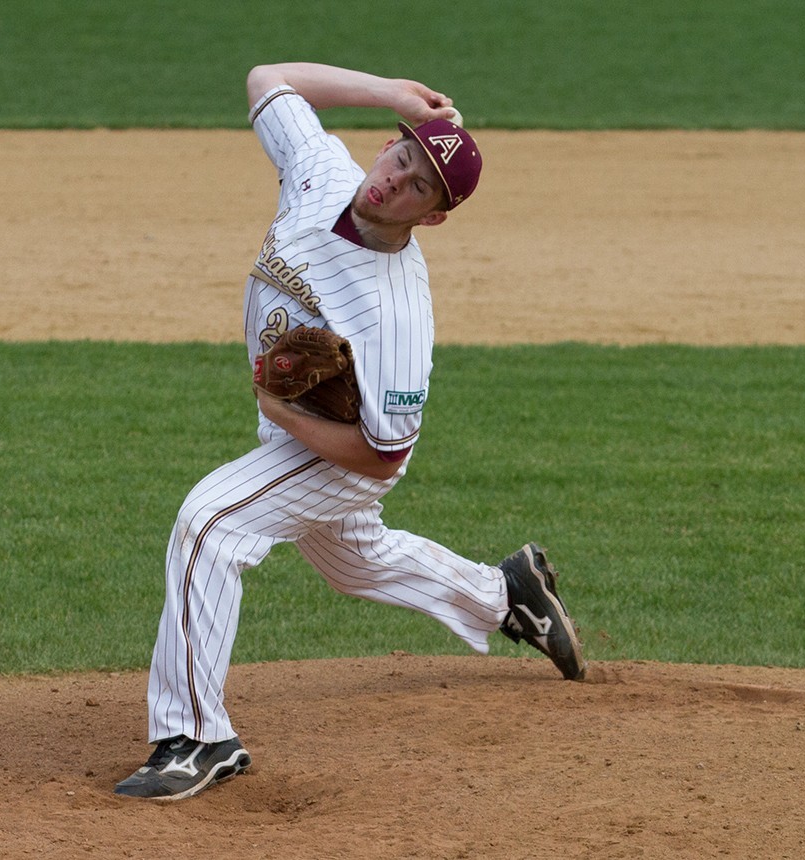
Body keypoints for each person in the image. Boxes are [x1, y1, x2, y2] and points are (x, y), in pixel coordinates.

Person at [113, 62, 585, 802]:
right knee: (354, 562)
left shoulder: (394, 317)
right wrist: (394, 91)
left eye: (420, 184)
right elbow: (269, 81)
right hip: (305, 426)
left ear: (432, 216)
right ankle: (507, 594)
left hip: (347, 453)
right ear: (387, 146)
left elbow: (381, 454)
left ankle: (199, 739)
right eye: (403, 156)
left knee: (210, 522)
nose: (397, 180)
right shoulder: (321, 169)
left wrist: (286, 415)